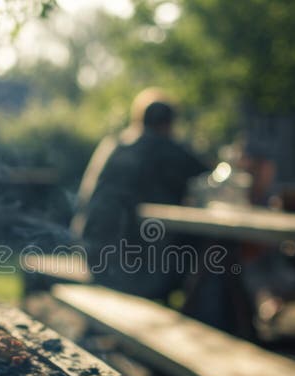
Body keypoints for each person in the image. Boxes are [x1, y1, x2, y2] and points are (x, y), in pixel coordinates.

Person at [71, 88, 208, 298]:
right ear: (169, 123)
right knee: (205, 248)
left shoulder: (113, 145)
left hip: (94, 258)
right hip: (137, 272)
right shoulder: (168, 151)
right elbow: (210, 179)